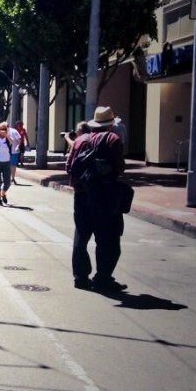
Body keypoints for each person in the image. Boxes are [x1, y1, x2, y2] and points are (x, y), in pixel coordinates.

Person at [67, 106, 127, 292]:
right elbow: (119, 167)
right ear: (110, 125)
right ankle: (103, 278)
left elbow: (70, 167)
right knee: (108, 238)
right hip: (105, 195)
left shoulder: (79, 141)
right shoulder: (112, 139)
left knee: (81, 235)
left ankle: (81, 277)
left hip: (82, 195)